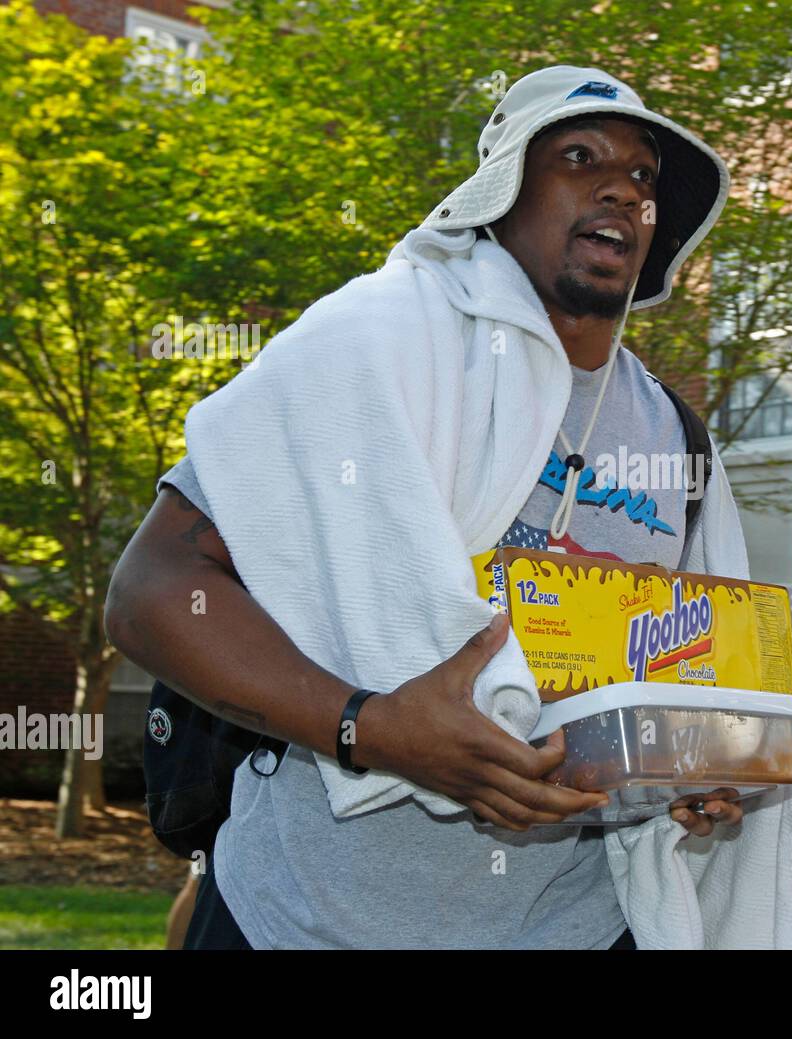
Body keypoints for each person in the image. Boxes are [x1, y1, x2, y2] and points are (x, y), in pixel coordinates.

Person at [106, 66, 757, 950]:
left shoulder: (676, 439)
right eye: (578, 156)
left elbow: (677, 673)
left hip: (573, 930)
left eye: (644, 176)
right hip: (302, 923)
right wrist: (367, 728)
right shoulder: (371, 348)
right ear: (501, 197)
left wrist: (694, 765)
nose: (622, 186)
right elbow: (151, 589)